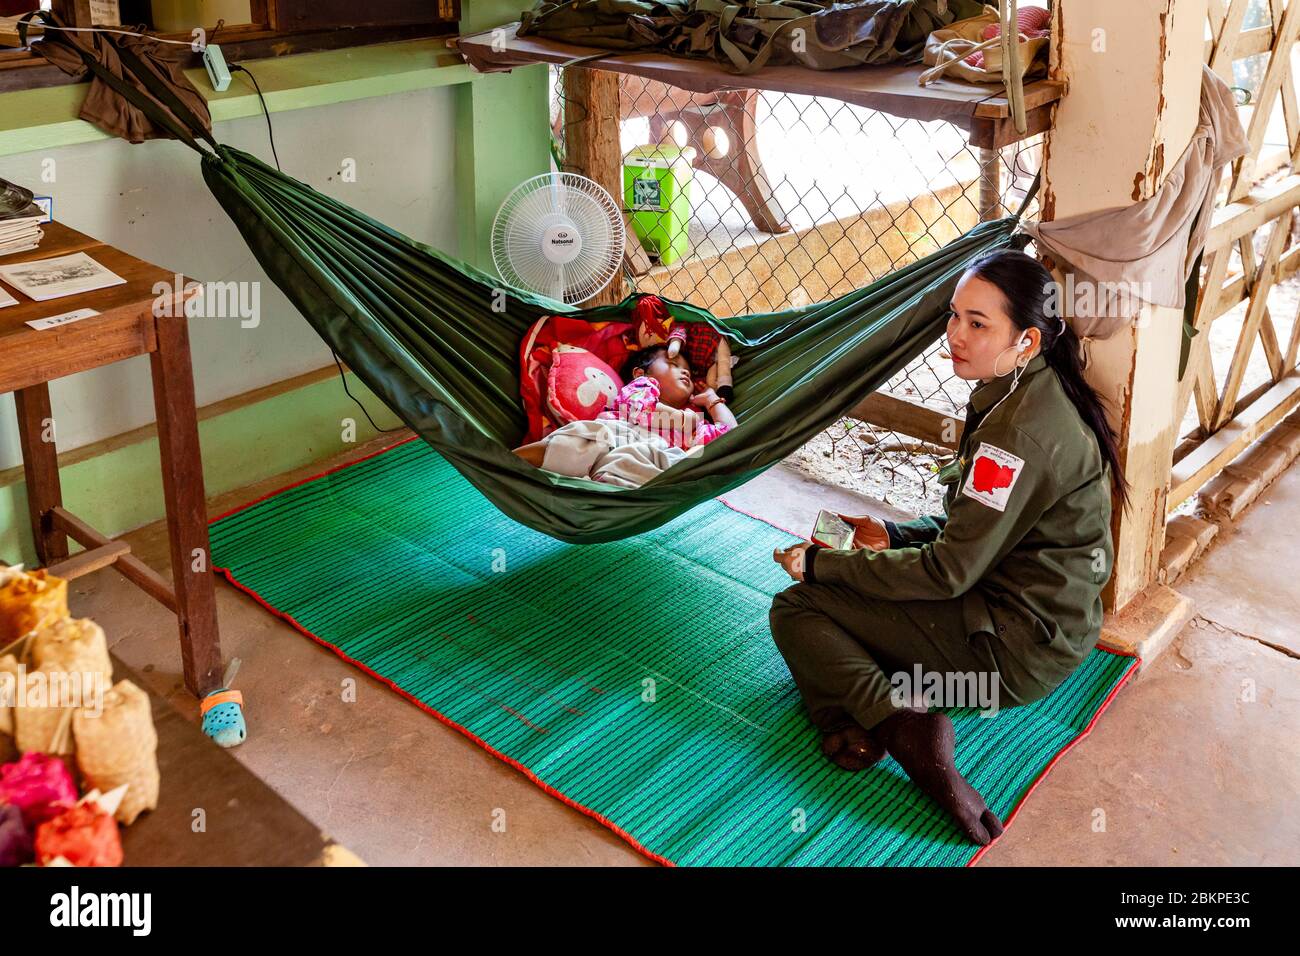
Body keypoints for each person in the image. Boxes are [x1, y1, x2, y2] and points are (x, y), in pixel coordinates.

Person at [769, 248, 1128, 846]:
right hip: (1046, 627)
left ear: (1027, 341)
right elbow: (983, 530)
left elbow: (948, 572)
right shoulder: (1025, 391)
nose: (955, 335)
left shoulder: (1015, 434)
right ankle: (870, 703)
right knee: (856, 601)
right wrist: (895, 535)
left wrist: (821, 564)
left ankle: (904, 729)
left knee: (798, 608)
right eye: (955, 315)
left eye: (978, 324)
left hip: (1011, 654)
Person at [511, 345, 737, 485]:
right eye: (673, 364)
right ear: (640, 372)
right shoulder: (644, 386)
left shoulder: (692, 418)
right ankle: (509, 462)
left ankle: (606, 492)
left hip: (648, 458)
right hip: (613, 437)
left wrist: (711, 399)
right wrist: (682, 420)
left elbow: (731, 436)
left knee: (670, 464)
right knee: (583, 437)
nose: (685, 371)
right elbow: (637, 410)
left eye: (686, 368)